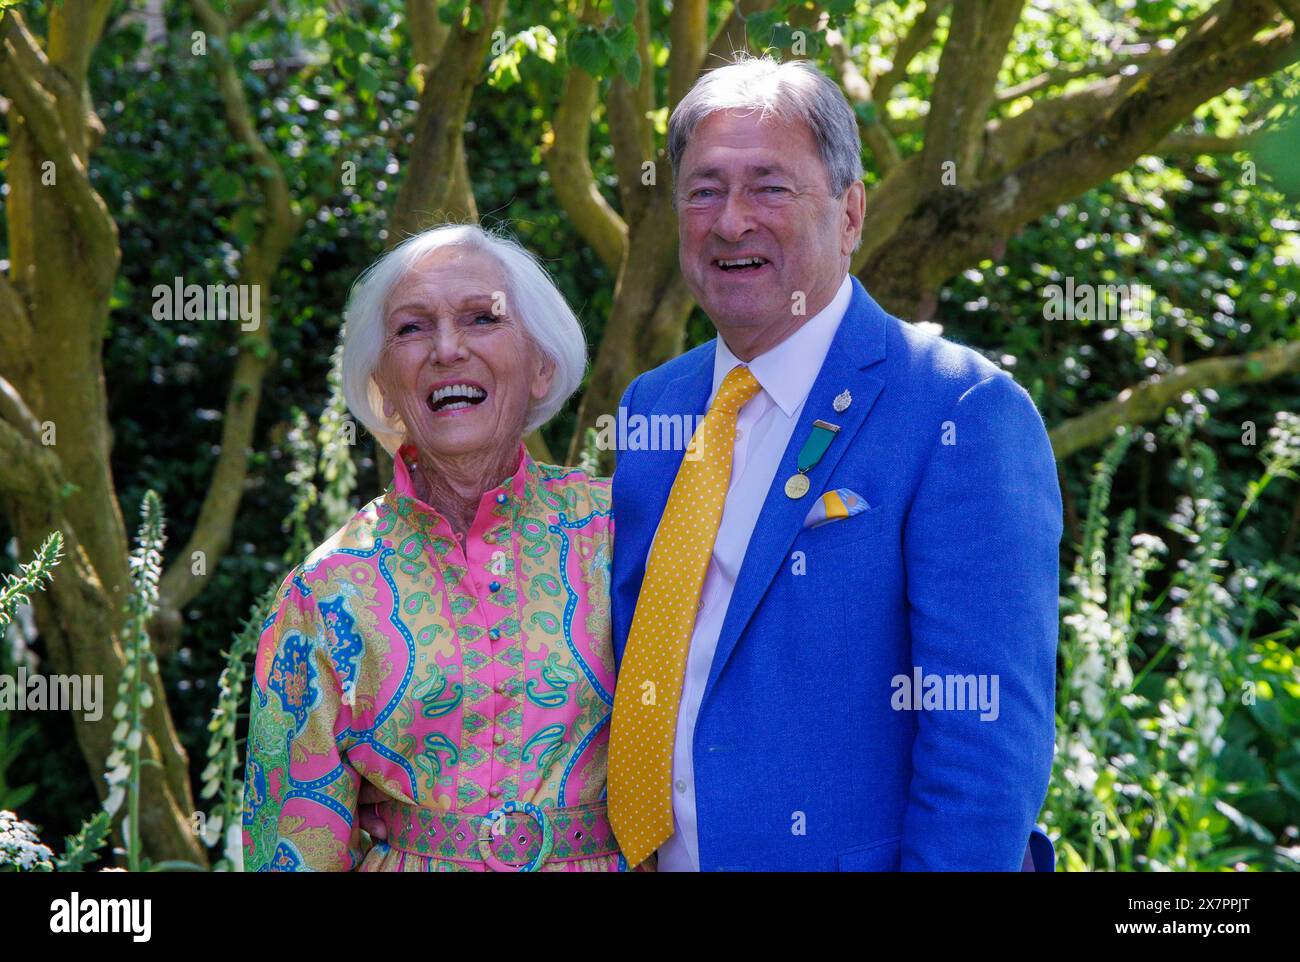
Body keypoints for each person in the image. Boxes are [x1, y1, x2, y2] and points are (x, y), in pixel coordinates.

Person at [606, 54, 1063, 871]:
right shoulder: (655, 408)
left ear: (850, 213)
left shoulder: (958, 410)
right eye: (704, 189)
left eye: (770, 187)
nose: (731, 220)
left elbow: (983, 757)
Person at [242, 224, 632, 871]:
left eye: (482, 318)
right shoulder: (329, 591)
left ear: (541, 365)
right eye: (412, 328)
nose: (448, 349)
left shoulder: (623, 533)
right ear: (383, 387)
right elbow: (291, 851)